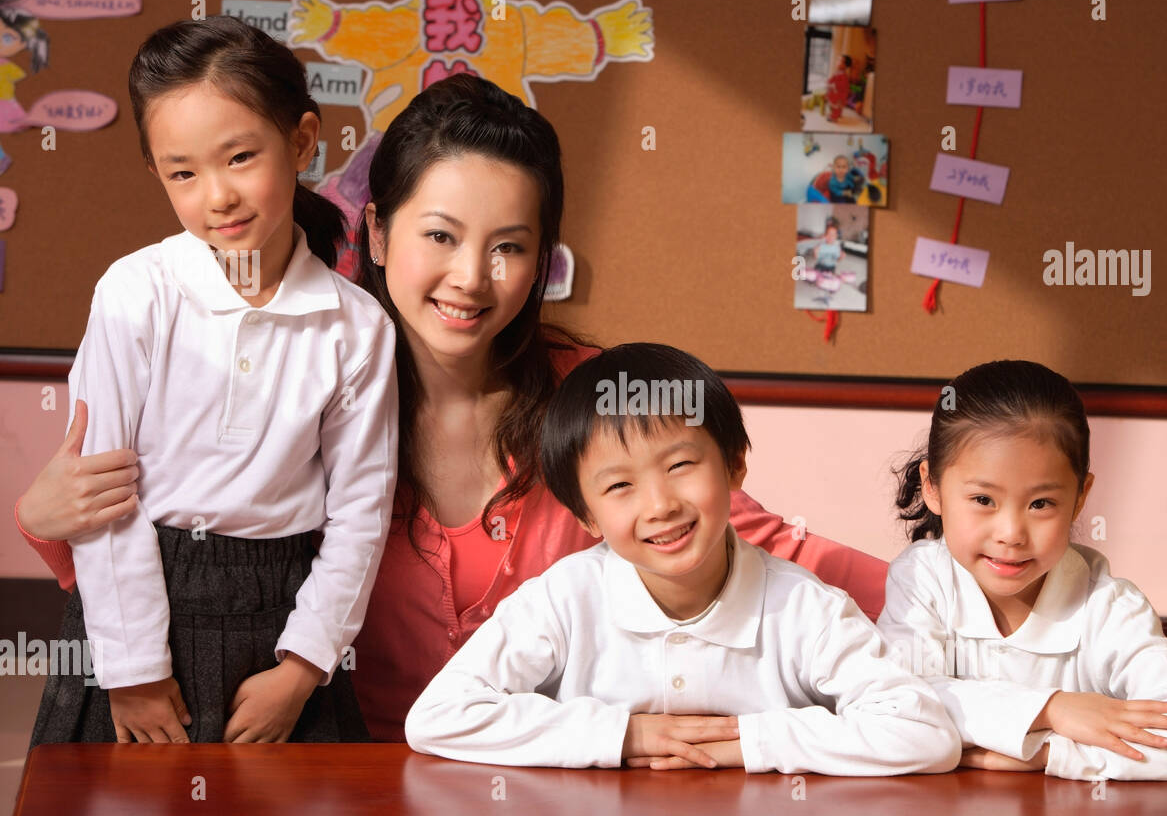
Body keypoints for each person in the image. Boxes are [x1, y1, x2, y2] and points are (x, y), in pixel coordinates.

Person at [17, 73, 889, 744]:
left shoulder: (595, 399)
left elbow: (767, 546)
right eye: (439, 236)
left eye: (509, 247)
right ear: (380, 235)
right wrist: (43, 518)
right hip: (340, 773)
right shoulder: (311, 382)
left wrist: (977, 598)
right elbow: (185, 552)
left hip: (549, 779)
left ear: (543, 261)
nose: (472, 279)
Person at [26, 15, 398, 745]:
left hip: (282, 622)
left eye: (239, 157)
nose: (217, 196)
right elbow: (102, 493)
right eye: (183, 173)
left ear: (300, 140)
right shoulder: (136, 292)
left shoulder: (355, 327)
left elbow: (360, 513)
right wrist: (131, 674)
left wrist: (301, 670)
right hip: (136, 609)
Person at [405, 343, 961, 774]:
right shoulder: (562, 598)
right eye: (619, 485)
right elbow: (439, 717)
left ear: (734, 465)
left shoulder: (804, 607)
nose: (660, 506)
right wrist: (625, 734)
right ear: (585, 516)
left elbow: (924, 732)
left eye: (679, 466)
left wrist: (751, 741)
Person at [875, 360, 1167, 781]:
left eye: (1040, 504)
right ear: (932, 487)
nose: (1011, 534)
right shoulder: (920, 580)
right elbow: (896, 704)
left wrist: (1044, 753)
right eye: (983, 500)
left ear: (1080, 497)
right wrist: (1053, 708)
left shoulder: (1110, 606)